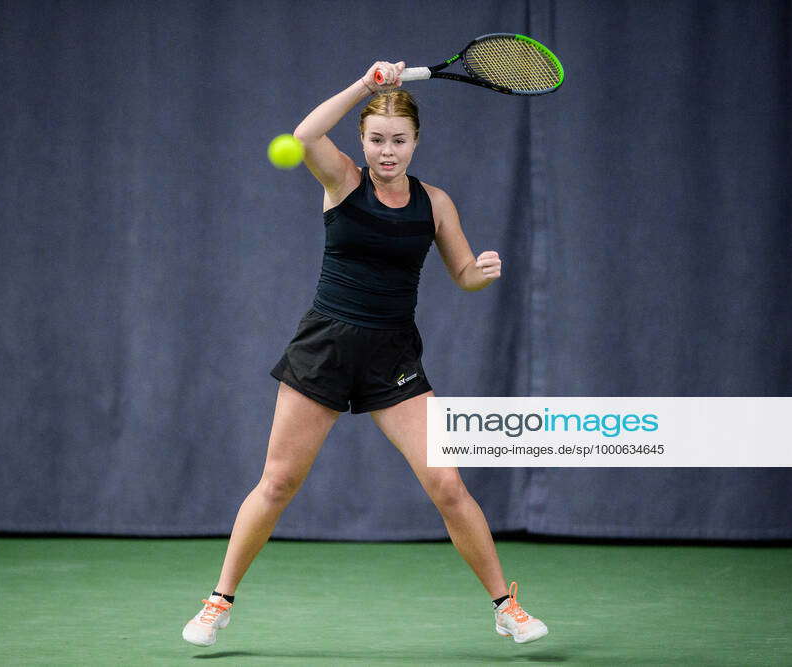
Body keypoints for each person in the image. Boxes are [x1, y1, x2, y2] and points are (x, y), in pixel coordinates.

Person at [183, 61, 548, 648]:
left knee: (448, 484)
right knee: (277, 483)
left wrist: (480, 273)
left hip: (393, 357)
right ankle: (218, 601)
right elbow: (303, 137)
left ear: (416, 142)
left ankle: (507, 607)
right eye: (376, 139)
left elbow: (460, 273)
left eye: (398, 141)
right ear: (362, 141)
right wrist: (367, 86)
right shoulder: (343, 183)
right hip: (324, 348)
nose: (387, 151)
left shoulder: (435, 204)